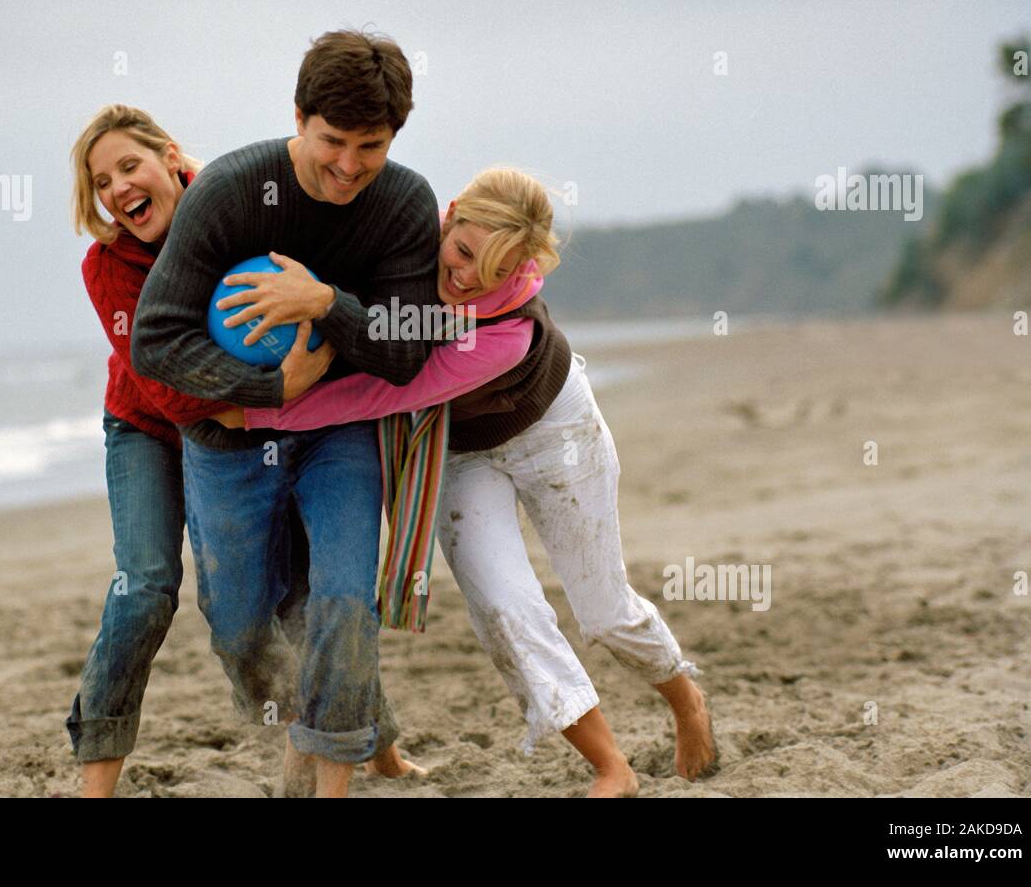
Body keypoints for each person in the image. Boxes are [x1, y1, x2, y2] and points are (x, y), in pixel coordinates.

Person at [221, 167, 718, 797]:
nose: (464, 278)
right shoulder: (406, 242)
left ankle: (685, 700)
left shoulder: (506, 332)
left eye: (492, 271)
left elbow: (382, 390)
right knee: (506, 610)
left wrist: (261, 411)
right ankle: (611, 767)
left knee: (605, 612)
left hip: (555, 431)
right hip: (459, 451)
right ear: (450, 214)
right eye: (460, 252)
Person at [63, 104, 404, 797]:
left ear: (170, 156)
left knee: (312, 595)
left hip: (258, 422)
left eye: (130, 165)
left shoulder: (234, 212)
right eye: (101, 182)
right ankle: (95, 782)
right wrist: (279, 387)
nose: (118, 188)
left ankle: (379, 749)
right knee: (145, 591)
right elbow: (172, 395)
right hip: (155, 427)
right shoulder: (106, 266)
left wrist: (302, 376)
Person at [131, 29, 435, 798]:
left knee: (340, 599)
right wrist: (272, 388)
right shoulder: (231, 191)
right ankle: (340, 728)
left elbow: (406, 349)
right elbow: (156, 340)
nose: (347, 165)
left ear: (394, 135)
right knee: (239, 626)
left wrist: (324, 303)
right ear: (298, 118)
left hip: (339, 433)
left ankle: (326, 780)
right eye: (332, 141)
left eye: (370, 146)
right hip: (230, 439)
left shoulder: (403, 202)